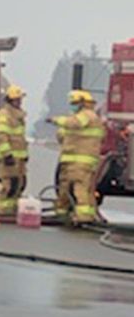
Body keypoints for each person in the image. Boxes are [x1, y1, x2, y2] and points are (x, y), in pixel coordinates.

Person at [48, 90, 105, 224]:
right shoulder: (80, 117)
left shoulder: (87, 115)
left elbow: (73, 123)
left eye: (75, 103)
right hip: (70, 161)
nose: (73, 106)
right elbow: (64, 136)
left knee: (80, 188)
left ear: (83, 103)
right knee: (65, 189)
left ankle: (84, 217)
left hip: (80, 162)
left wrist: (56, 120)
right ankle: (63, 214)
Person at [0, 85, 28, 214]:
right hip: (9, 157)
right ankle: (2, 208)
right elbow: (1, 136)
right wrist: (7, 155)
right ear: (10, 100)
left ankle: (11, 208)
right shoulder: (4, 115)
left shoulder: (18, 116)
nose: (20, 102)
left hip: (18, 158)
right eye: (17, 99)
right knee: (9, 184)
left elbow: (19, 138)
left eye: (20, 99)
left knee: (19, 184)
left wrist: (24, 155)